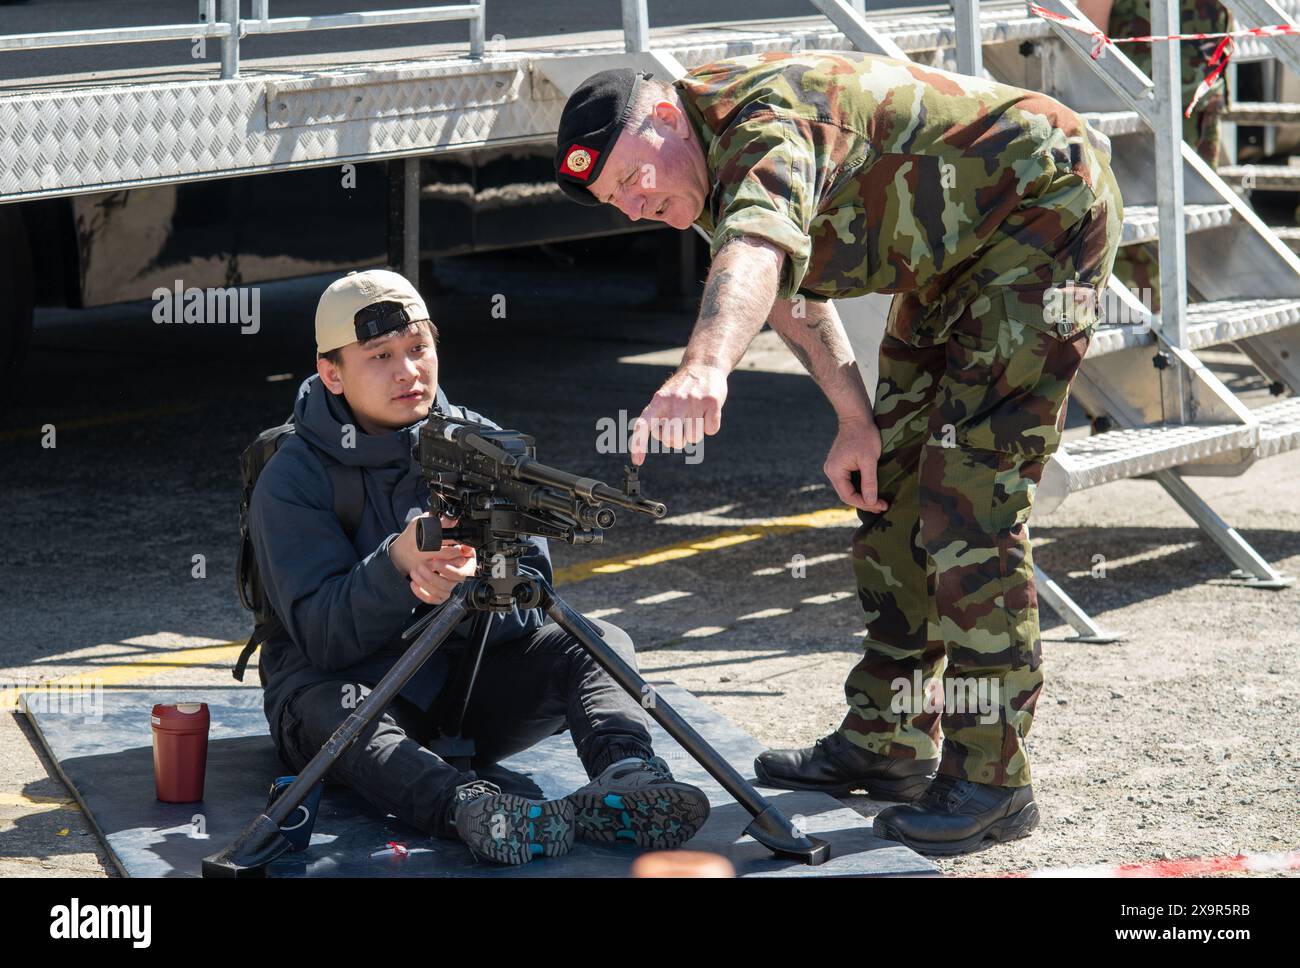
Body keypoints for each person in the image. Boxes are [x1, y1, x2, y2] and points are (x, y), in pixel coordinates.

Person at [552, 51, 1122, 855]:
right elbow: (789, 289)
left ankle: (993, 781)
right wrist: (856, 420)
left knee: (968, 503)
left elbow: (753, 247)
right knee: (890, 490)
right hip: (954, 255)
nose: (638, 205)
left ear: (669, 120)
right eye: (619, 201)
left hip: (1041, 210)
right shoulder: (700, 162)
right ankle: (891, 742)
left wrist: (706, 364)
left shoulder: (763, 124)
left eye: (633, 178)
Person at [250, 268, 709, 865]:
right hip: (353, 698)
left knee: (599, 641)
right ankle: (468, 807)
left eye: (419, 348)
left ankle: (627, 778)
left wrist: (486, 580)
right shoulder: (292, 475)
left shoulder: (481, 444)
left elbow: (535, 604)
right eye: (380, 356)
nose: (408, 371)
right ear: (331, 372)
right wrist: (398, 567)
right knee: (329, 706)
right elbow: (323, 637)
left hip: (465, 696)